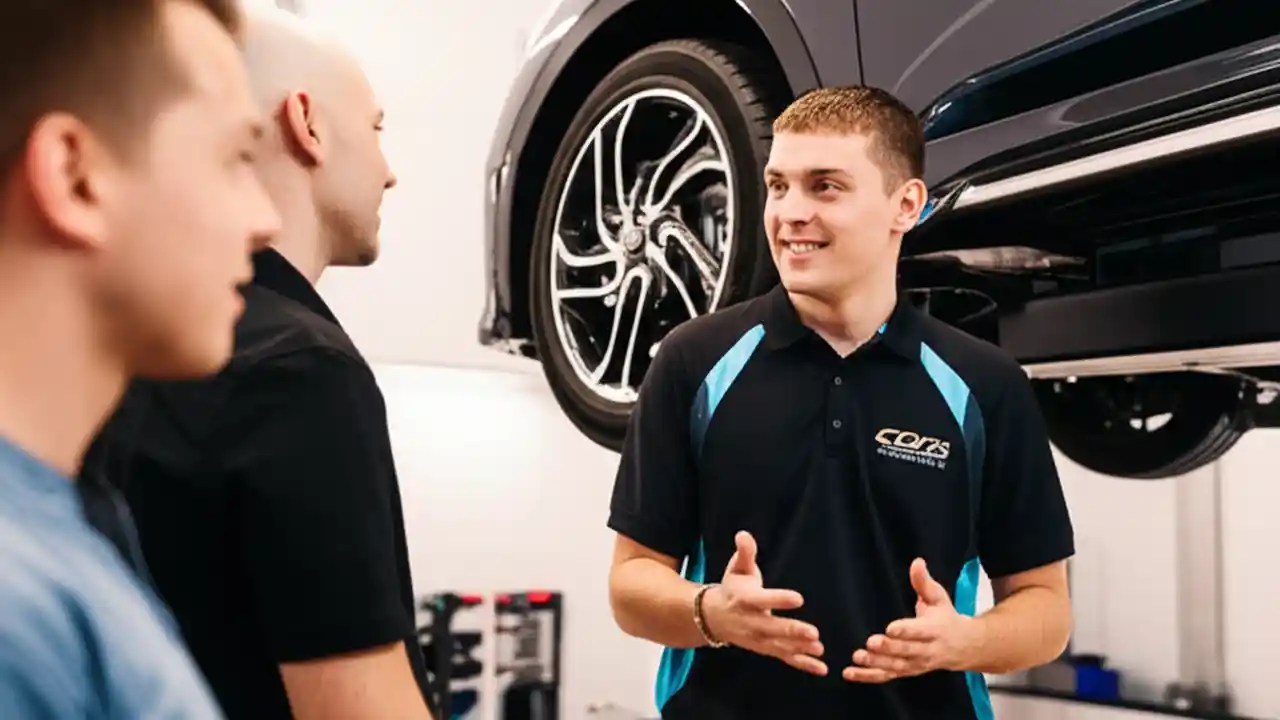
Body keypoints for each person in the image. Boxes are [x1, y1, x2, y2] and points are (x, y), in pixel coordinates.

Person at [606, 85, 1076, 719]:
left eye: (824, 187)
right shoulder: (693, 362)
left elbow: (1046, 609)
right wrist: (710, 611)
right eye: (778, 186)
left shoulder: (984, 382)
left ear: (905, 204)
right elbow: (630, 584)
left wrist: (968, 640)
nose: (789, 212)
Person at [82, 6, 432, 719]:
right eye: (376, 128)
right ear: (307, 124)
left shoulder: (132, 355)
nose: (390, 174)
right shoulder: (302, 372)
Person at [0, 0, 281, 717]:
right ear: (75, 176)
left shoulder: (63, 533)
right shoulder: (16, 607)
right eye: (236, 159)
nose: (265, 220)